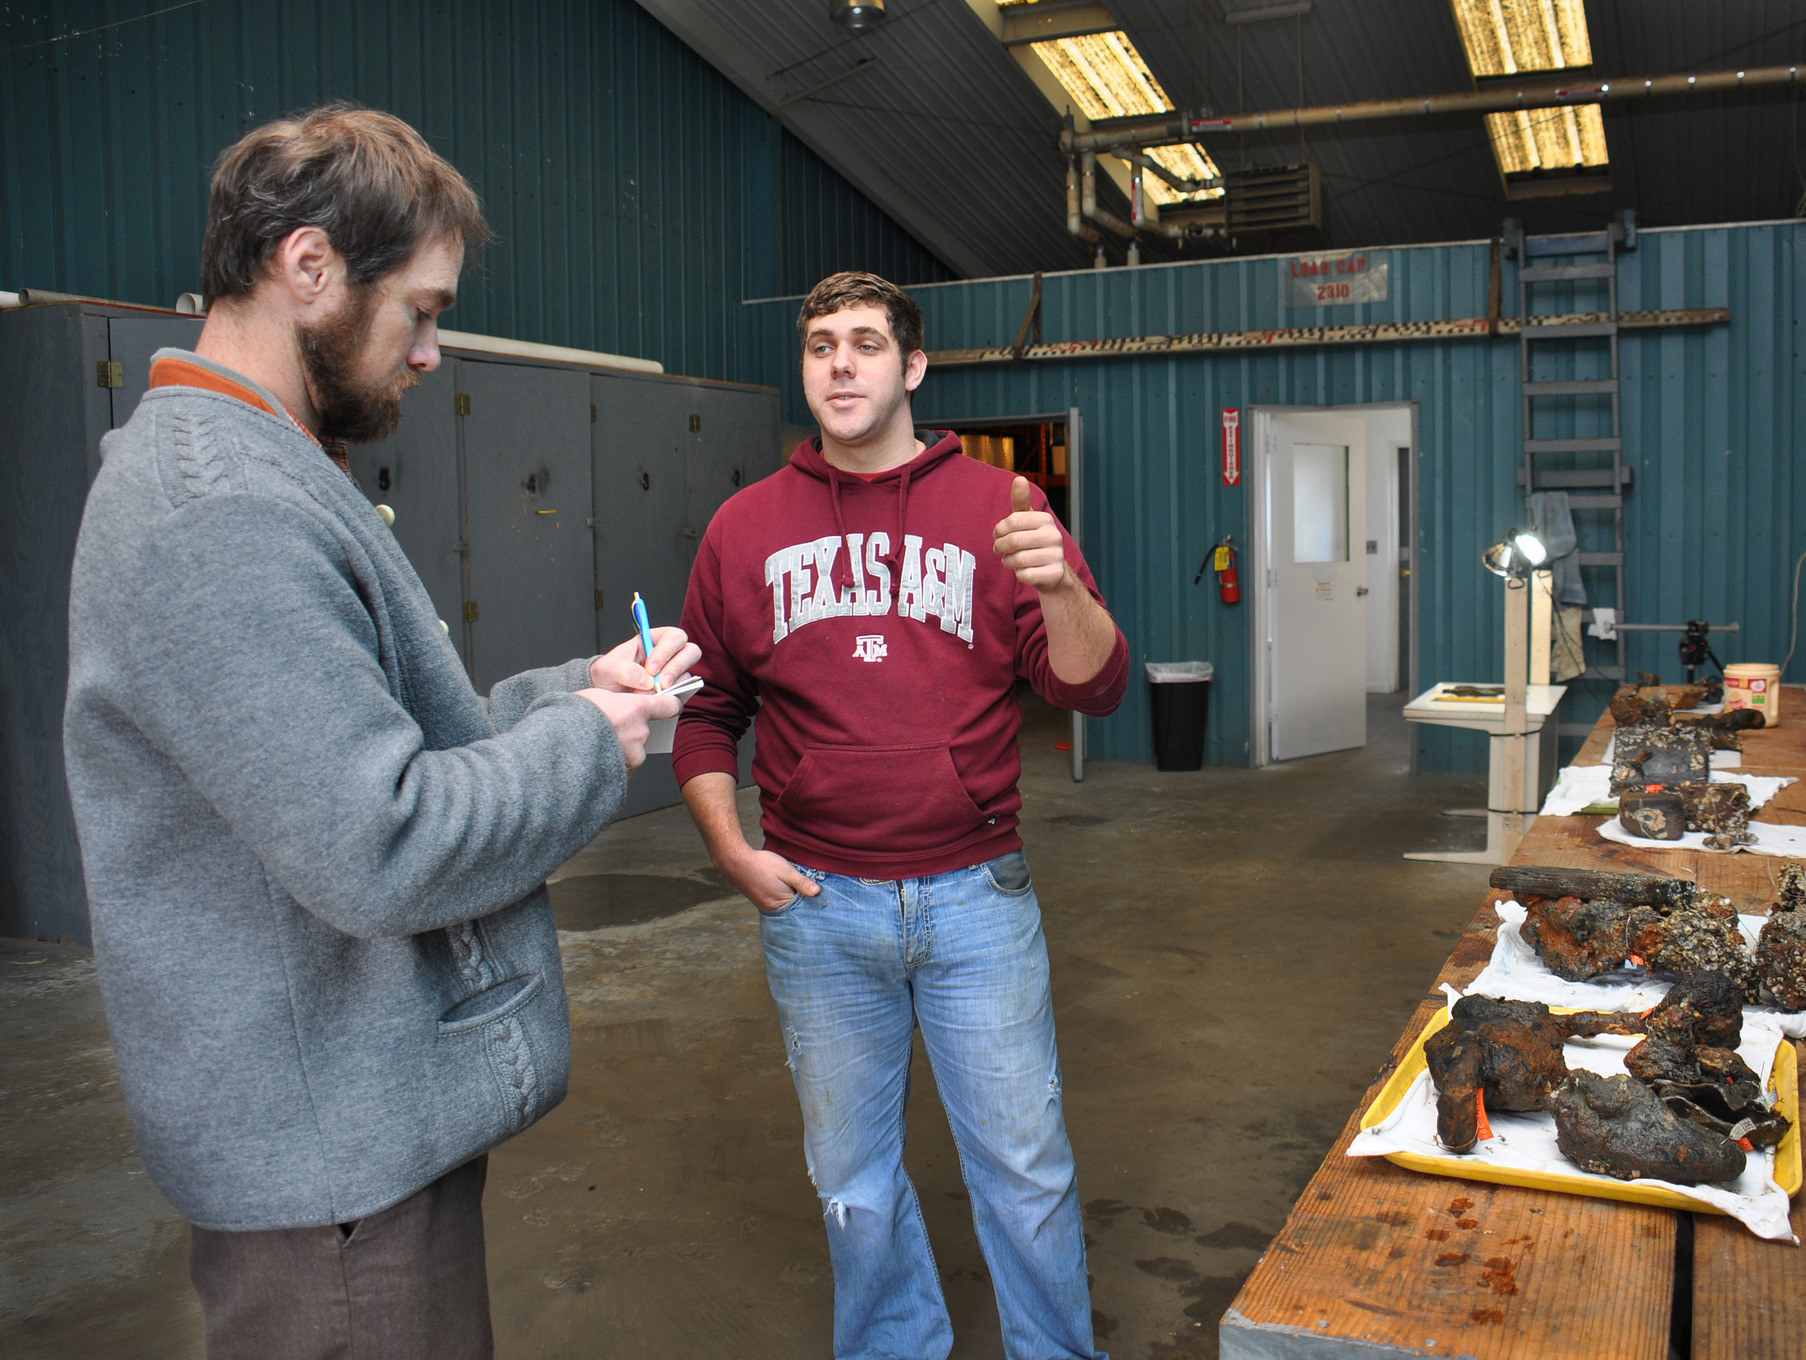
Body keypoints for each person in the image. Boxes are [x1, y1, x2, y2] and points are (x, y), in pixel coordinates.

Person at [63, 103, 690, 1359]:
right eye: (422, 308)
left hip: (344, 1149)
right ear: (308, 268)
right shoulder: (217, 515)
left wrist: (577, 691)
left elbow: (389, 743)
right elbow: (381, 839)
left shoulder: (261, 465)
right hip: (324, 1192)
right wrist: (592, 745)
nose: (432, 352)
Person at [672, 271, 1128, 1358]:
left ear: (911, 368)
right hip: (819, 908)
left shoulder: (998, 510)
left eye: (866, 343)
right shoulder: (743, 528)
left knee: (1024, 1174)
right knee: (851, 1183)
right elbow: (703, 711)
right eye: (821, 343)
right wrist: (731, 848)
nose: (840, 362)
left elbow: (1091, 688)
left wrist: (1060, 589)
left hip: (975, 898)